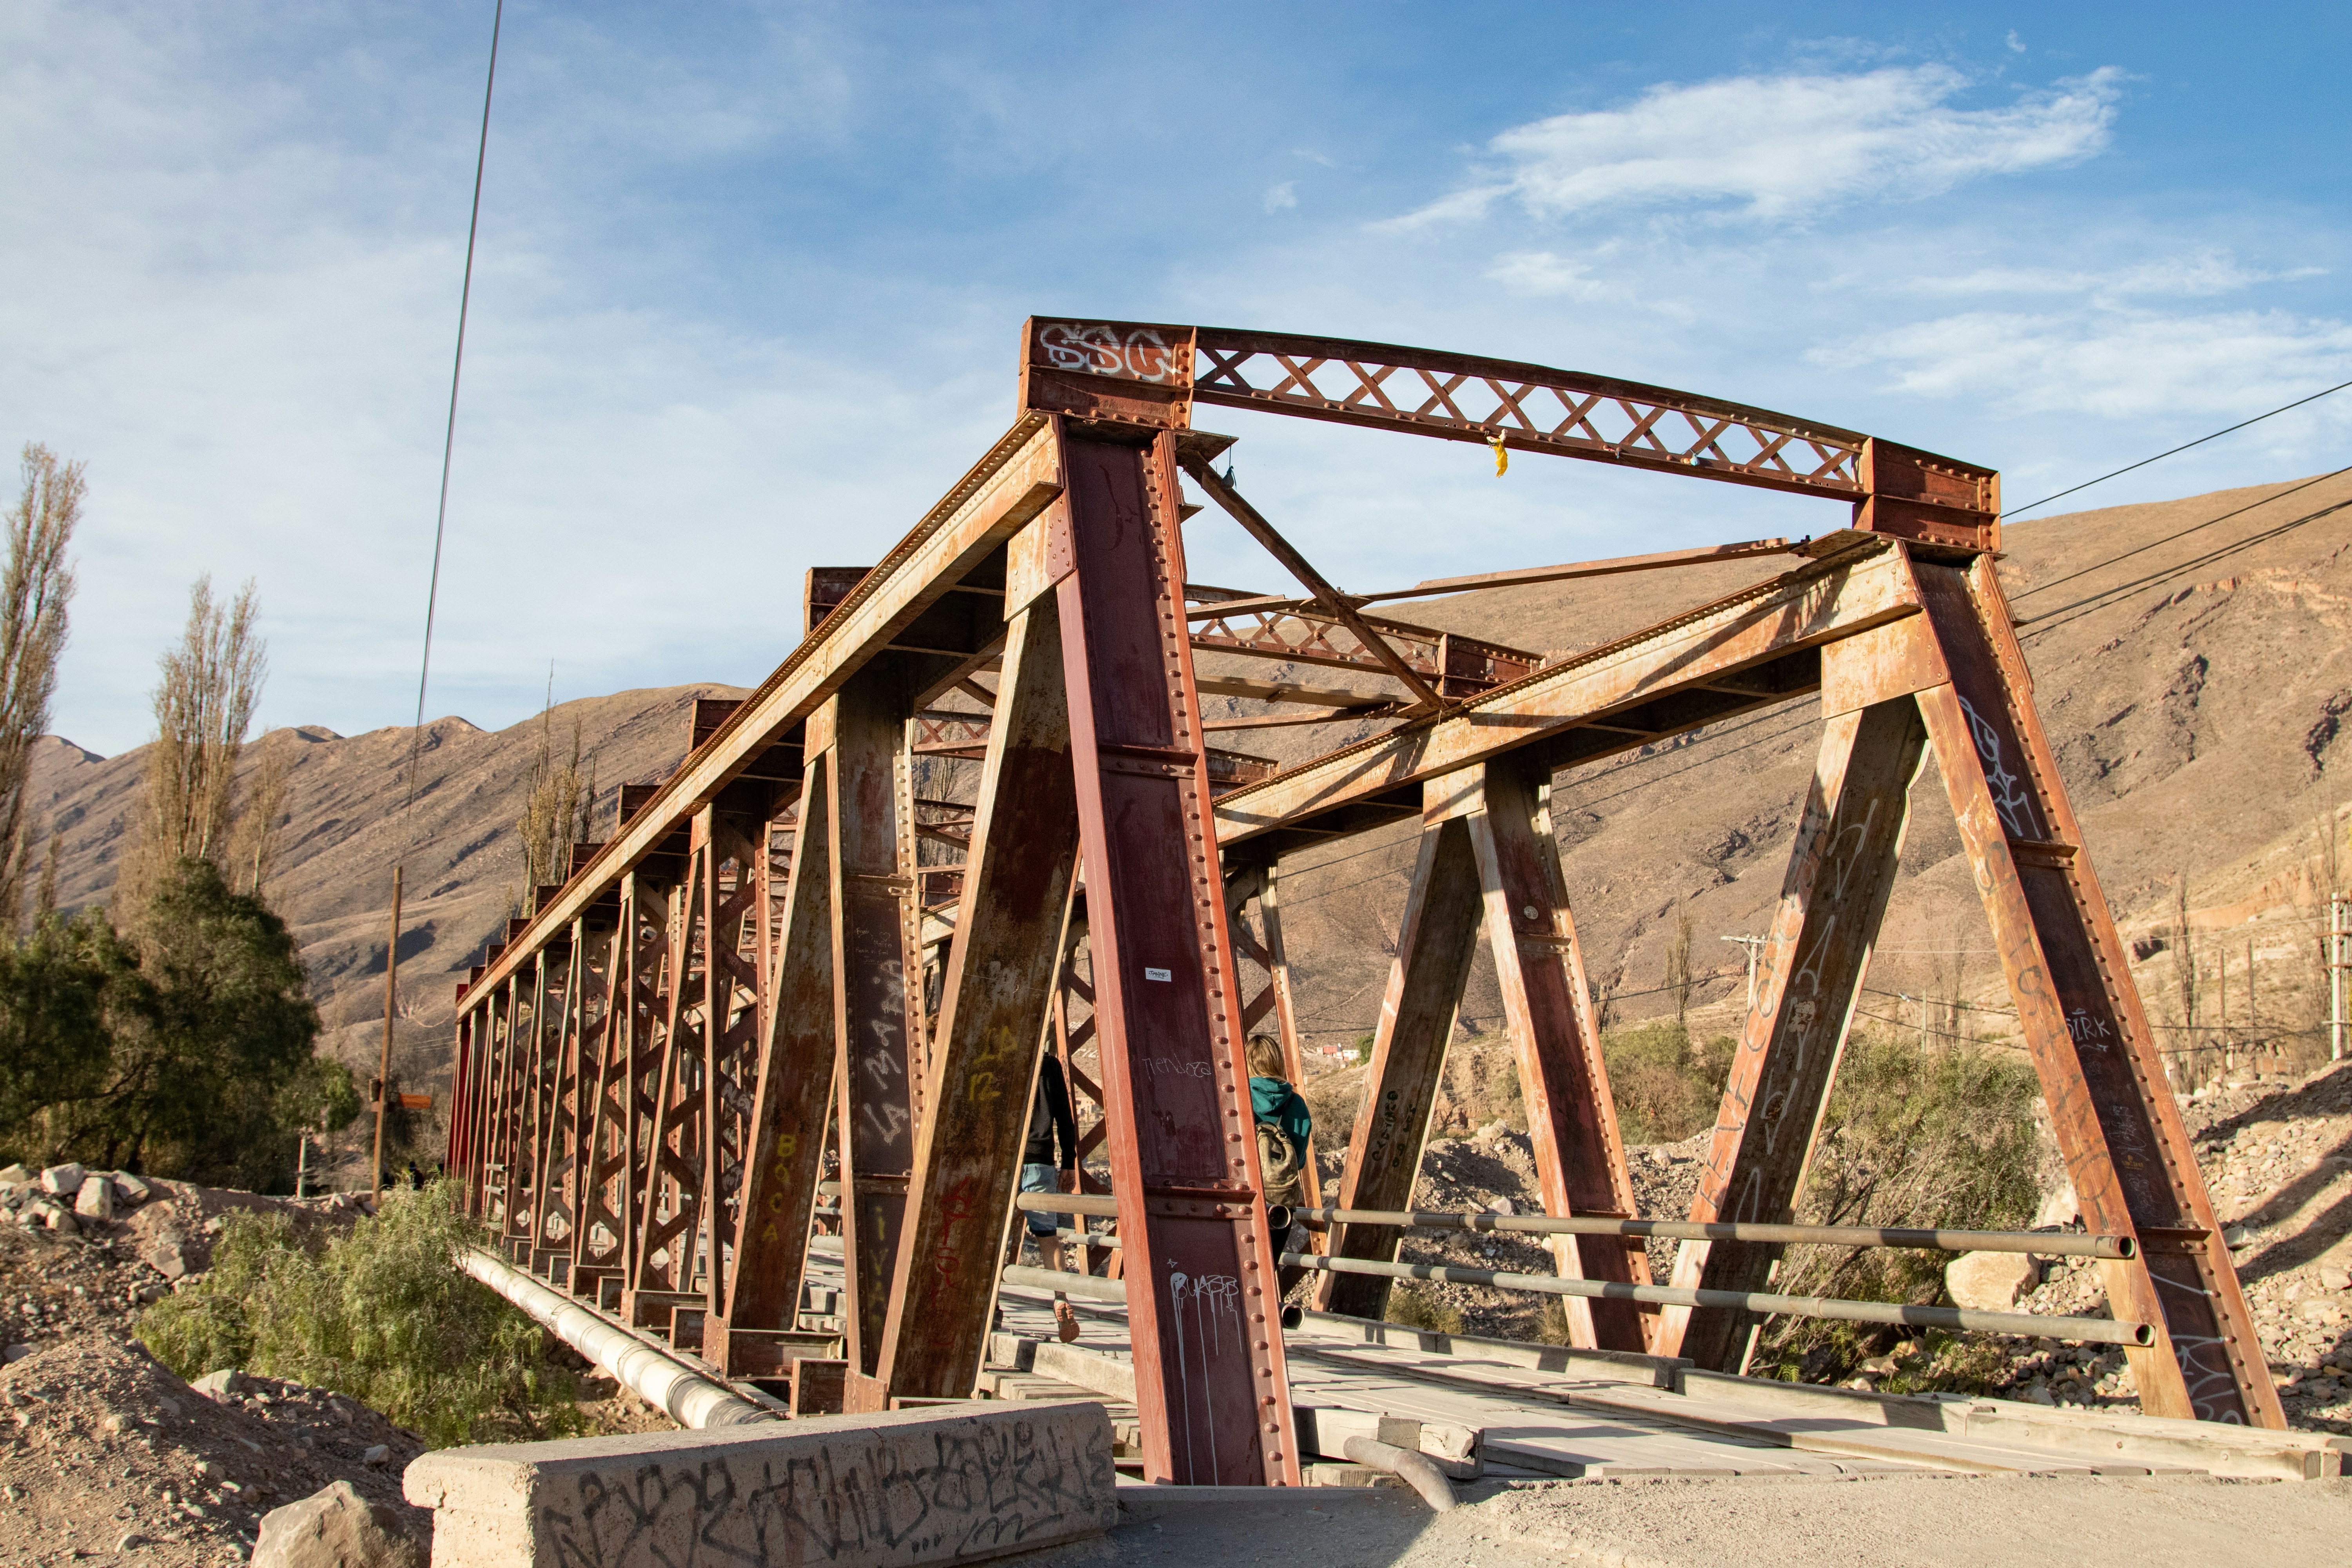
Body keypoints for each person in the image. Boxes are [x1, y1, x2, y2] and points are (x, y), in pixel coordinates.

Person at [1246, 1033, 1314, 1328]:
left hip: (1245, 1196)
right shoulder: (1296, 1104)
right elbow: (1297, 1160)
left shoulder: (1237, 1094)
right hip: (1282, 1205)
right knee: (1263, 1272)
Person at [1016, 1051, 1083, 1342]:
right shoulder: (1049, 1063)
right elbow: (1065, 1119)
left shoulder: (1001, 1051)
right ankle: (1060, 1297)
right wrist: (1069, 1162)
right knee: (1049, 1238)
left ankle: (991, 1309)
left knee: (995, 1240)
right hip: (1040, 1161)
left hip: (1006, 1160)